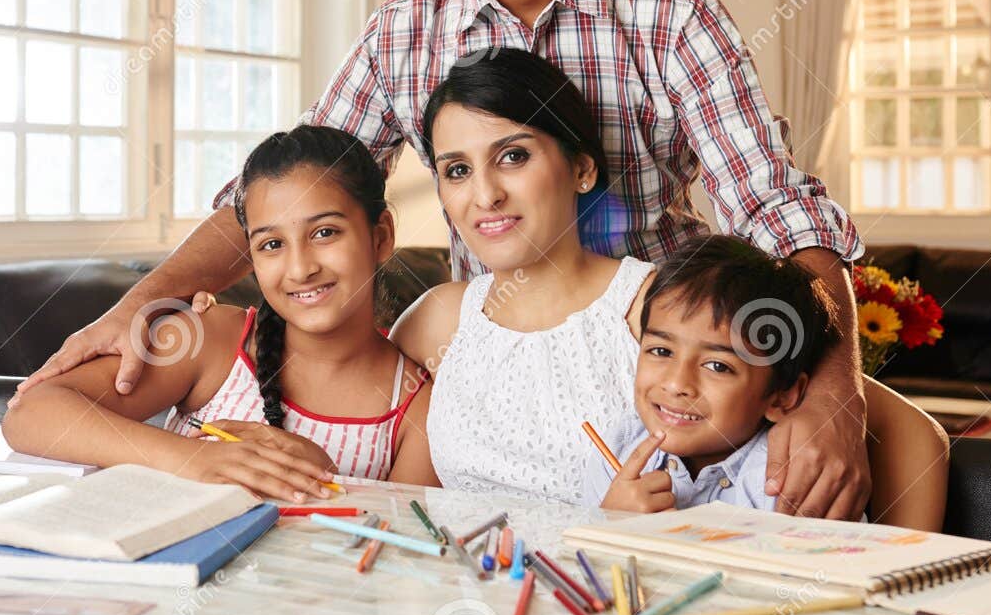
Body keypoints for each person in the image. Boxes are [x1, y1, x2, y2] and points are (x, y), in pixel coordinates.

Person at [22, 0, 870, 519]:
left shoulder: (668, 13)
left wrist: (838, 391)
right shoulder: (407, 29)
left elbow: (775, 207)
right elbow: (292, 188)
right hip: (495, 371)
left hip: (659, 369)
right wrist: (141, 305)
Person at [390, 50, 946, 529]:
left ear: (582, 169)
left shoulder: (661, 306)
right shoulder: (438, 319)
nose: (484, 194)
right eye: (456, 170)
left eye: (514, 156)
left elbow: (915, 436)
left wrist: (902, 594)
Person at [2, 125, 438, 499]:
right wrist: (193, 459)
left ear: (381, 237)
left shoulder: (419, 407)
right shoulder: (210, 339)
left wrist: (326, 480)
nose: (300, 268)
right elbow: (30, 413)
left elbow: (402, 547)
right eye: (271, 244)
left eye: (325, 233)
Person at [592, 236, 947, 530]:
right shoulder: (617, 445)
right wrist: (608, 524)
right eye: (661, 351)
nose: (676, 383)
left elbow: (818, 587)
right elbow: (582, 574)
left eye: (717, 365)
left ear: (781, 396)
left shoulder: (791, 481)